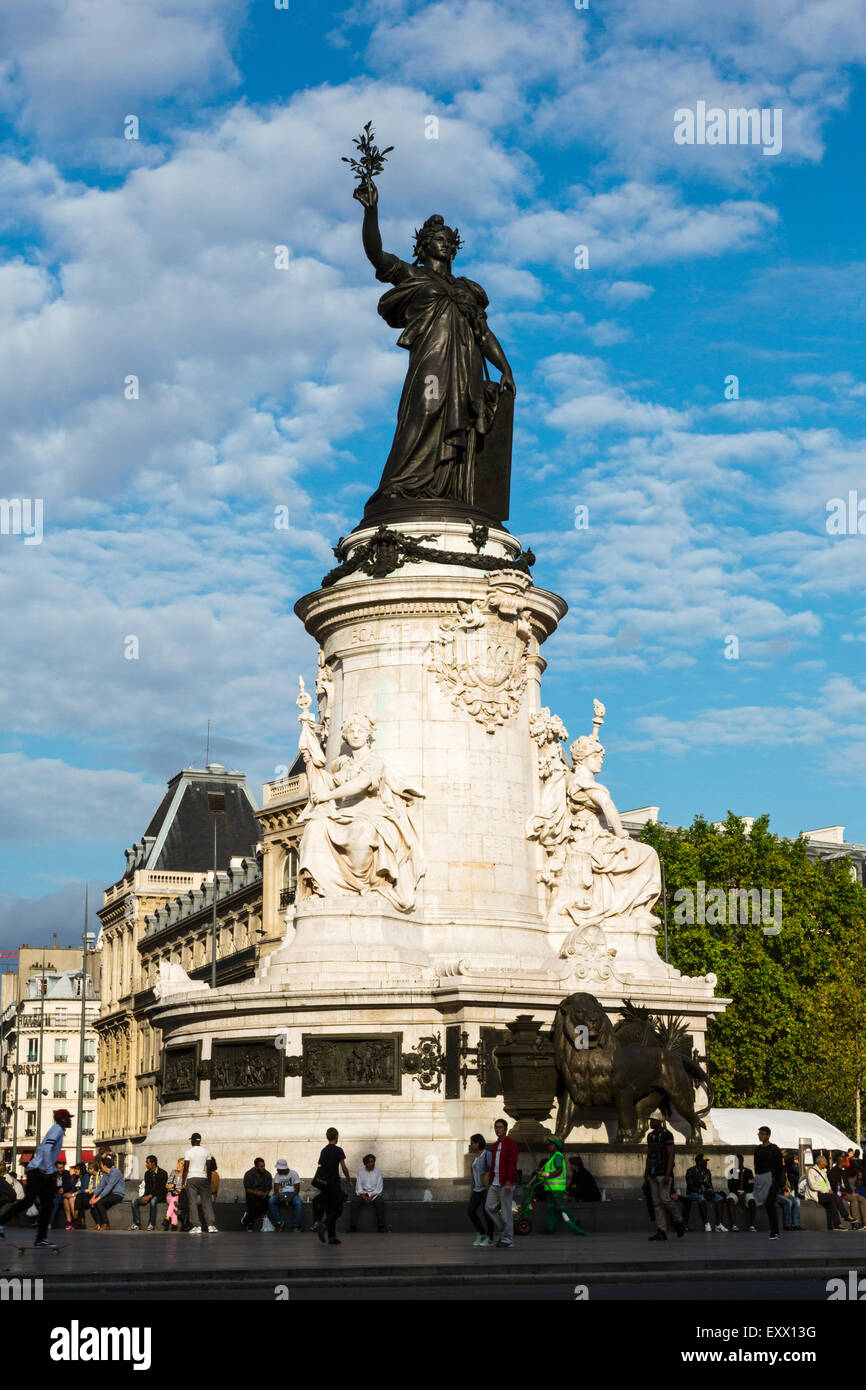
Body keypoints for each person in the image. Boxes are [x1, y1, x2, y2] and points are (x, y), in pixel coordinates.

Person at [0, 1107, 73, 1247]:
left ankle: (39, 1236)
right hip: (40, 1171)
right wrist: (50, 1170)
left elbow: (43, 1149)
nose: (70, 1121)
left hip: (37, 1170)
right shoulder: (57, 1129)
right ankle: (40, 1237)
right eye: (68, 1118)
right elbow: (46, 1149)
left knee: (36, 1202)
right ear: (62, 1120)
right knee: (44, 1204)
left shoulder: (57, 1130)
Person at [644, 1109, 686, 1242]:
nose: (650, 1123)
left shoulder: (667, 1135)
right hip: (653, 1173)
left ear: (659, 1121)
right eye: (650, 1120)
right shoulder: (650, 1136)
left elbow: (671, 1155)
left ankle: (679, 1221)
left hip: (663, 1172)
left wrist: (668, 1174)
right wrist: (646, 1172)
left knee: (665, 1199)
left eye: (652, 1121)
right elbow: (649, 1155)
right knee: (656, 1203)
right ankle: (661, 1230)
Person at [311, 1127, 351, 1245]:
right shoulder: (338, 1150)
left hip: (324, 1184)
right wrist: (349, 1180)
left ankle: (332, 1236)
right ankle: (323, 1226)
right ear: (336, 1136)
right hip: (334, 1183)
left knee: (329, 1209)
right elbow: (343, 1167)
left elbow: (321, 1166)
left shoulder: (324, 1150)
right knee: (338, 1209)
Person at [538, 1137, 585, 1236]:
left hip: (556, 1188)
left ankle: (574, 1219)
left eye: (550, 1145)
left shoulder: (558, 1156)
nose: (548, 1146)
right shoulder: (553, 1157)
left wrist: (546, 1175)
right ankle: (549, 1228)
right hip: (551, 1187)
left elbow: (559, 1170)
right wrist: (543, 1175)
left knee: (559, 1207)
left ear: (555, 1146)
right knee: (551, 1208)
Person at [485, 1117, 519, 1249]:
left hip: (506, 1183)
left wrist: (509, 1182)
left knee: (506, 1213)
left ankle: (508, 1239)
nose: (497, 1130)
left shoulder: (511, 1144)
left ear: (505, 1129)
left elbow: (512, 1164)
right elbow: (493, 1164)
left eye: (500, 1127)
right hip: (495, 1182)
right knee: (489, 1207)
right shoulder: (495, 1145)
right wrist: (490, 1180)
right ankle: (505, 1231)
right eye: (496, 1127)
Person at [181, 1132, 218, 1234]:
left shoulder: (188, 1152)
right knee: (207, 1202)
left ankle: (197, 1226)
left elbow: (186, 1168)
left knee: (192, 1203)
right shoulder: (207, 1151)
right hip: (203, 1178)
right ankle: (210, 1225)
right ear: (199, 1141)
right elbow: (209, 1168)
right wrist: (208, 1182)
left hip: (192, 1178)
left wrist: (183, 1182)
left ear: (192, 1141)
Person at [753, 1127, 786, 1240]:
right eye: (759, 1134)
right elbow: (756, 1165)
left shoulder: (774, 1149)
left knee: (769, 1203)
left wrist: (781, 1184)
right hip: (762, 1179)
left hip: (773, 1179)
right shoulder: (757, 1149)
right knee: (768, 1204)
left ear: (768, 1135)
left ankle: (774, 1231)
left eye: (762, 1134)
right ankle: (775, 1230)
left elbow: (780, 1167)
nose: (760, 1136)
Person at [805, 1154, 851, 1230]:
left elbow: (827, 1182)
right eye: (825, 1161)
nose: (826, 1163)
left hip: (825, 1193)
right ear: (821, 1162)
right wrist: (826, 1190)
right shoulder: (812, 1172)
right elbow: (813, 1186)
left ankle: (837, 1224)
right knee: (835, 1197)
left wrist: (829, 1189)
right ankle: (846, 1216)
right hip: (817, 1194)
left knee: (831, 1203)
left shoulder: (823, 1171)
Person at [684, 1154, 727, 1232]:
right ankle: (706, 1224)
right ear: (699, 1162)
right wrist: (700, 1191)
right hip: (693, 1193)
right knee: (701, 1198)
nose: (706, 1163)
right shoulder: (690, 1171)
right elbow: (690, 1186)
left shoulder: (707, 1171)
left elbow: (709, 1183)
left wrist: (711, 1190)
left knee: (720, 1199)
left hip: (705, 1193)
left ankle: (718, 1225)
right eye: (704, 1162)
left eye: (706, 1162)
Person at [467, 1134, 495, 1246]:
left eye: (472, 1143)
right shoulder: (475, 1156)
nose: (471, 1145)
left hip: (486, 1189)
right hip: (477, 1189)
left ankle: (490, 1237)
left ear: (477, 1143)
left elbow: (492, 1169)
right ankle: (482, 1233)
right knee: (470, 1211)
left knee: (487, 1212)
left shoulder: (487, 1155)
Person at [349, 1154, 386, 1233]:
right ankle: (353, 1226)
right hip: (363, 1194)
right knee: (354, 1203)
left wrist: (371, 1197)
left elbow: (379, 1187)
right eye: (370, 1162)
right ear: (365, 1163)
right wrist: (364, 1196)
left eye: (373, 1162)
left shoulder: (378, 1172)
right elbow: (358, 1186)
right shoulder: (360, 1171)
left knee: (380, 1202)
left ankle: (381, 1226)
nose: (372, 1163)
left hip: (374, 1194)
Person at [88, 1155, 126, 1230]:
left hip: (118, 1195)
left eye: (101, 1164)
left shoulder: (115, 1172)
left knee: (99, 1202)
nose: (100, 1166)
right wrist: (93, 1198)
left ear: (104, 1165)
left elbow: (109, 1187)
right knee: (93, 1203)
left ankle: (106, 1224)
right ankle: (98, 1224)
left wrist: (97, 1199)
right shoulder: (105, 1173)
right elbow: (100, 1186)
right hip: (110, 1194)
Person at [130, 1155, 167, 1231]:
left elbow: (161, 1189)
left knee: (153, 1201)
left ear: (153, 1163)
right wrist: (144, 1196)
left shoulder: (163, 1173)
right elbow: (147, 1188)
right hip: (149, 1195)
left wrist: (149, 1196)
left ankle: (151, 1224)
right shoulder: (147, 1173)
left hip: (159, 1196)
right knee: (134, 1201)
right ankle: (136, 1224)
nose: (146, 1164)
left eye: (147, 1163)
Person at [269, 1158, 302, 1232]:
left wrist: (290, 1197)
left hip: (293, 1193)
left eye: (278, 1169)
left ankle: (296, 1226)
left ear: (283, 1169)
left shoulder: (294, 1173)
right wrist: (279, 1196)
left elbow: (297, 1189)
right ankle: (279, 1222)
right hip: (281, 1194)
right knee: (271, 1201)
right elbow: (276, 1189)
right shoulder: (277, 1175)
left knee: (298, 1203)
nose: (277, 1170)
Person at [726, 1155, 756, 1232]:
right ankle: (734, 1225)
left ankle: (752, 1225)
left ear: (742, 1162)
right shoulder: (732, 1171)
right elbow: (730, 1186)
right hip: (735, 1193)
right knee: (730, 1200)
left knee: (752, 1202)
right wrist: (738, 1193)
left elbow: (751, 1185)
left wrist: (744, 1193)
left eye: (739, 1161)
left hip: (746, 1192)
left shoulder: (749, 1172)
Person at [241, 1157, 273, 1231]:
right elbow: (247, 1189)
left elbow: (268, 1187)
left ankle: (247, 1219)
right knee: (253, 1203)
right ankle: (250, 1223)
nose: (263, 1168)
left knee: (269, 1202)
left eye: (264, 1166)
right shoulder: (248, 1174)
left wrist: (265, 1194)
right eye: (261, 1166)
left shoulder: (267, 1174)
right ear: (256, 1167)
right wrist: (256, 1193)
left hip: (263, 1195)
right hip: (252, 1194)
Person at [164, 1159, 184, 1230]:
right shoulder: (174, 1172)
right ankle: (174, 1223)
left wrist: (179, 1190)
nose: (177, 1165)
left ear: (184, 1166)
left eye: (180, 1164)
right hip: (170, 1195)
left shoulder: (186, 1175)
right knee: (174, 1201)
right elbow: (167, 1184)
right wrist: (171, 1186)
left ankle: (168, 1218)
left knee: (175, 1200)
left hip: (179, 1196)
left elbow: (185, 1187)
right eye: (177, 1163)